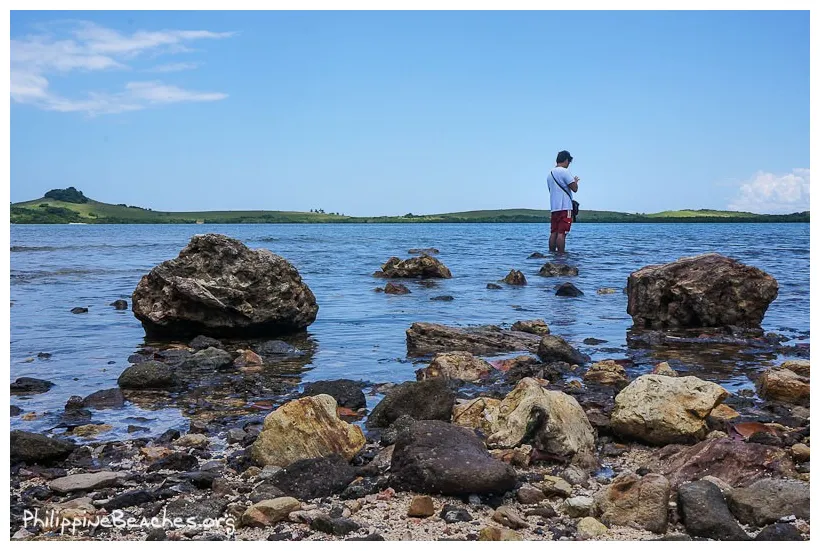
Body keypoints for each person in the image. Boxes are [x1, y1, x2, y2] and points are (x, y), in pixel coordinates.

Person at [547, 150, 579, 253]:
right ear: (566, 160)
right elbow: (574, 188)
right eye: (569, 162)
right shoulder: (565, 172)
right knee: (562, 233)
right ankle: (561, 256)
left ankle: (552, 255)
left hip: (554, 208)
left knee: (554, 232)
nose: (568, 164)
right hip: (565, 207)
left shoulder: (550, 174)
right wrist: (575, 182)